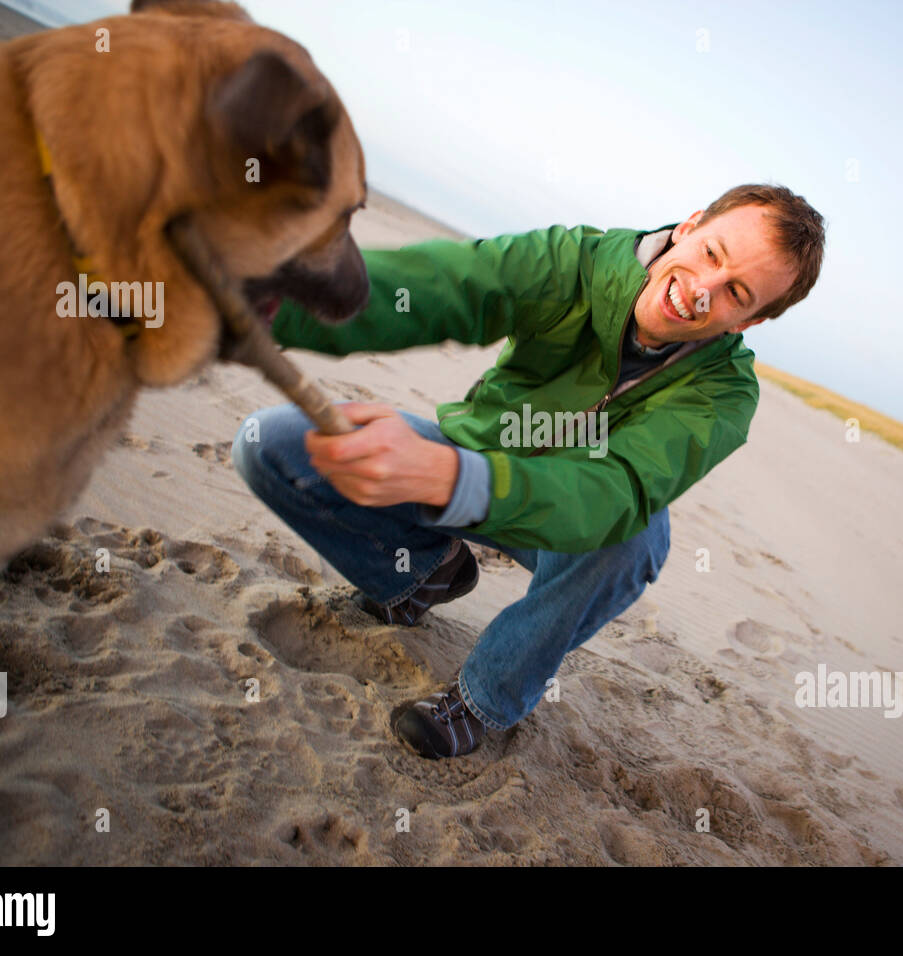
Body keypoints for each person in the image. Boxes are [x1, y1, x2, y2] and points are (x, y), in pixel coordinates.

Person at [231, 182, 826, 760]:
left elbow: (618, 488)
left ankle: (484, 699)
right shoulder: (575, 260)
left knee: (635, 538)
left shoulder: (724, 394)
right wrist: (267, 304)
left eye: (736, 293)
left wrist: (451, 481)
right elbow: (442, 286)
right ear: (690, 227)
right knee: (272, 444)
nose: (702, 289)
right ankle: (423, 576)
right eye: (712, 253)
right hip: (471, 455)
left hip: (548, 521)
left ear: (748, 323)